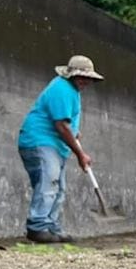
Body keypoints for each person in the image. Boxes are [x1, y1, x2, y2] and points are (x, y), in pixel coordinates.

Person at [16, 54, 101, 243]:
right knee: (49, 184)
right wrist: (80, 154)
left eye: (87, 78)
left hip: (54, 145)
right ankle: (37, 226)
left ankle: (51, 227)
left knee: (58, 188)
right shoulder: (62, 88)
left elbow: (67, 123)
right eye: (82, 77)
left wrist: (75, 133)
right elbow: (61, 125)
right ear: (71, 75)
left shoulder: (72, 91)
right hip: (40, 142)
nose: (85, 81)